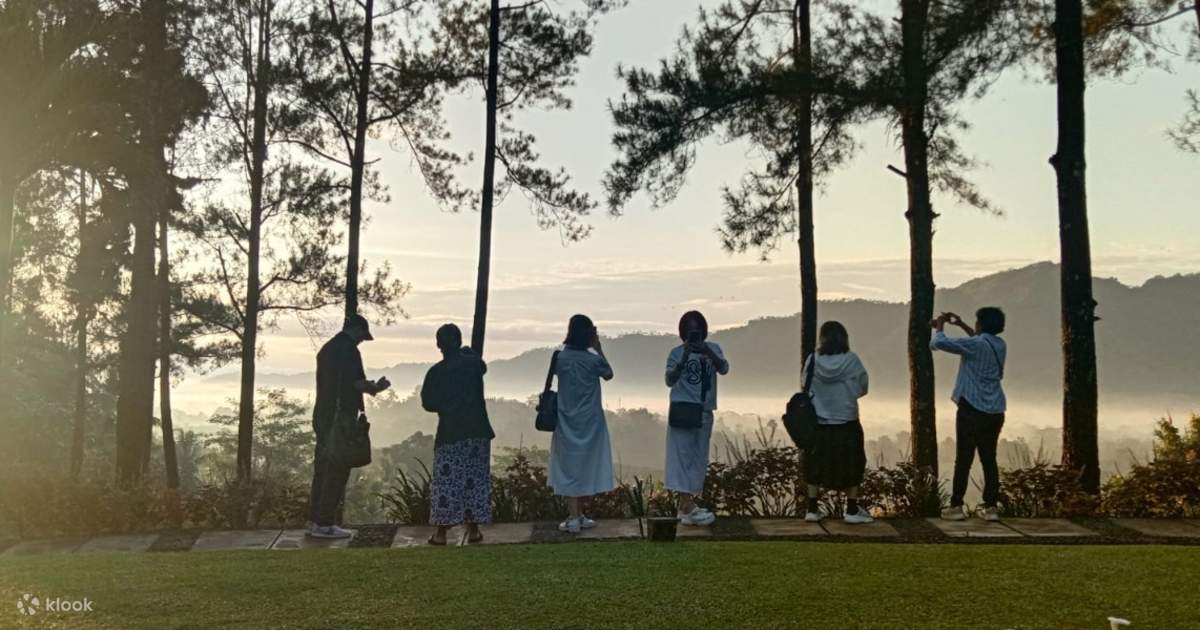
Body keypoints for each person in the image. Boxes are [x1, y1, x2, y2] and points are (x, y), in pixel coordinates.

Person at [309, 314, 391, 539]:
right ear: (355, 329)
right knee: (337, 470)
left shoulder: (326, 350)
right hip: (341, 418)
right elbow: (356, 383)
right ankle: (325, 523)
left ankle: (315, 519)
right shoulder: (350, 350)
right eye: (362, 336)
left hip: (322, 415)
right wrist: (376, 387)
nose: (361, 340)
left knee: (322, 469)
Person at [420, 324, 495, 546]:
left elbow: (428, 404)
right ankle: (473, 530)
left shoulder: (436, 372)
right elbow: (482, 367)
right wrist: (470, 352)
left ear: (438, 344)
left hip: (450, 432)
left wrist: (447, 405)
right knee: (474, 481)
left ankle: (441, 534)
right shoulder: (473, 365)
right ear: (460, 341)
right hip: (477, 431)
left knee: (447, 483)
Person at [931, 307, 1008, 522]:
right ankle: (991, 507)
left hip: (971, 408)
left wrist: (940, 327)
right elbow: (980, 341)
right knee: (989, 459)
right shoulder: (1000, 345)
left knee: (963, 460)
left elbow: (939, 343)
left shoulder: (976, 345)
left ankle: (956, 506)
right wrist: (961, 324)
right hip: (995, 409)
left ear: (981, 324)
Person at [548, 314, 616, 534]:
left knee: (568, 465)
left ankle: (573, 515)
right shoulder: (593, 360)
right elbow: (608, 374)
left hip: (566, 419)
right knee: (587, 464)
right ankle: (579, 514)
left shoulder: (560, 358)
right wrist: (598, 348)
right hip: (591, 420)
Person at [801, 321, 873, 525]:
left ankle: (812, 508)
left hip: (820, 420)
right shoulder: (852, 360)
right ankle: (851, 509)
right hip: (847, 419)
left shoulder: (813, 360)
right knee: (852, 463)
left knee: (815, 464)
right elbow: (863, 386)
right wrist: (848, 394)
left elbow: (804, 384)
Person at [664, 310, 730, 526]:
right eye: (691, 331)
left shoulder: (714, 349)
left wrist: (708, 352)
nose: (695, 335)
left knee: (698, 458)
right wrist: (683, 358)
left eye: (698, 330)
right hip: (683, 410)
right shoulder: (676, 353)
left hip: (704, 410)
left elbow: (724, 368)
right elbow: (669, 380)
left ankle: (687, 504)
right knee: (681, 457)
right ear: (683, 332)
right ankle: (685, 504)